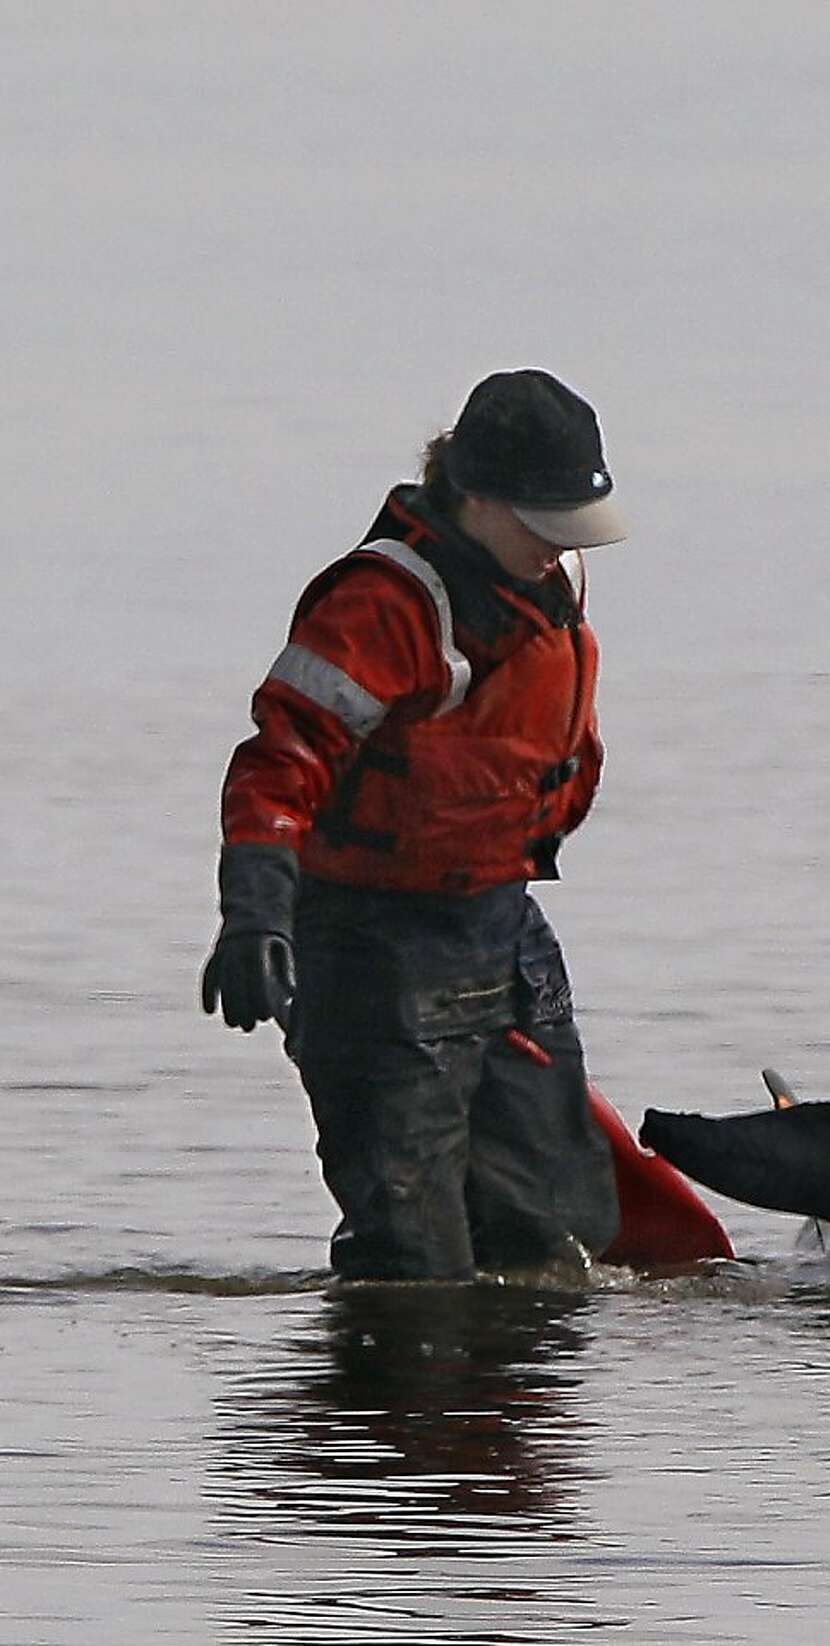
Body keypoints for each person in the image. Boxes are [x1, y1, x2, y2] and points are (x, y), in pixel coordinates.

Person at [201, 369, 625, 1280]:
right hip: (368, 946)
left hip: (502, 925)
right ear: (474, 495)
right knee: (414, 1262)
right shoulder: (385, 605)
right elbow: (279, 764)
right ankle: (377, 1409)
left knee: (558, 1238)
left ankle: (510, 1413)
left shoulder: (553, 574)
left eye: (572, 527)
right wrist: (256, 917)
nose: (561, 550)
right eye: (542, 525)